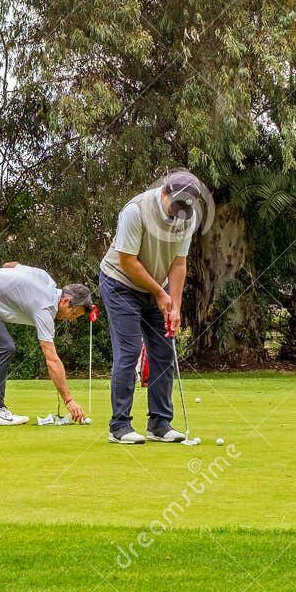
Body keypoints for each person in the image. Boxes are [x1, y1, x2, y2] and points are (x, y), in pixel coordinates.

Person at [98, 168, 208, 444]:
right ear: (164, 192)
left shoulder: (188, 218)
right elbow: (127, 261)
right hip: (120, 283)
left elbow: (179, 263)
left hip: (156, 287)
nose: (179, 212)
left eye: (186, 207)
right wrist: (161, 293)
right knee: (130, 351)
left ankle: (160, 423)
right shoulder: (136, 211)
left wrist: (176, 306)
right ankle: (119, 426)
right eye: (177, 205)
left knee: (163, 351)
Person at [0, 263, 93, 425]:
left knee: (5, 346)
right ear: (65, 300)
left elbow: (10, 265)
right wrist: (69, 400)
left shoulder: (45, 278)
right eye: (73, 313)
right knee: (5, 347)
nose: (71, 318)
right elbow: (52, 359)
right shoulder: (45, 307)